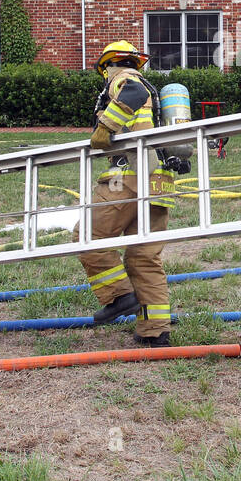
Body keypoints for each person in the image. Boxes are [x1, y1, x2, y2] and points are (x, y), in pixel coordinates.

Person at [81, 41, 191, 347]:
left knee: (87, 237)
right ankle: (155, 331)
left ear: (108, 65)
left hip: (125, 178)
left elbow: (132, 93)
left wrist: (105, 126)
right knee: (144, 258)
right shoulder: (154, 91)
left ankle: (120, 295)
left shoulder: (122, 77)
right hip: (159, 183)